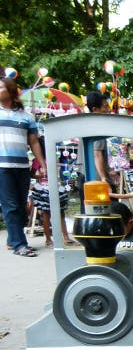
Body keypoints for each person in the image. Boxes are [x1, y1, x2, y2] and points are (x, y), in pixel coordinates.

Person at [0, 77, 45, 257]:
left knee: (20, 205)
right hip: (2, 166)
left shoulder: (26, 117)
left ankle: (12, 239)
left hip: (21, 166)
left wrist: (42, 163)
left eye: (0, 87)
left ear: (10, 91)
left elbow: (33, 141)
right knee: (10, 205)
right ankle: (20, 245)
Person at [28, 137, 79, 247]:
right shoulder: (37, 161)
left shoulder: (57, 158)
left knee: (60, 213)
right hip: (44, 189)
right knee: (47, 214)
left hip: (57, 187)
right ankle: (48, 239)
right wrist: (39, 176)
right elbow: (31, 174)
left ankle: (65, 237)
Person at [85, 91, 115, 192]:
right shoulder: (98, 128)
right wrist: (103, 179)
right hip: (96, 179)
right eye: (105, 107)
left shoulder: (84, 125)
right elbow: (97, 154)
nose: (108, 110)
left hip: (83, 177)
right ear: (95, 109)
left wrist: (109, 169)